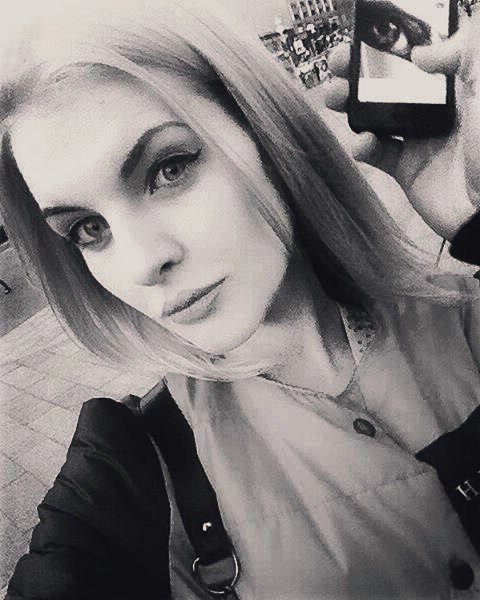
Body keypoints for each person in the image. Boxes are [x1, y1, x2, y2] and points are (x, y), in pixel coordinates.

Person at [2, 1, 480, 598]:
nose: (140, 263)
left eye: (168, 169)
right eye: (88, 228)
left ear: (265, 129)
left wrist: (474, 222)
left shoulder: (464, 313)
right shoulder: (131, 472)